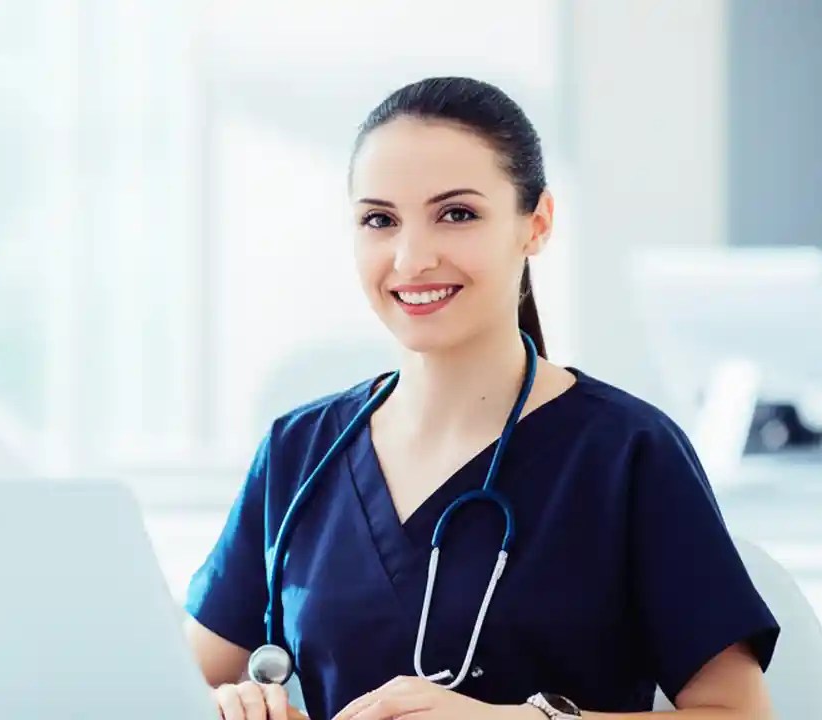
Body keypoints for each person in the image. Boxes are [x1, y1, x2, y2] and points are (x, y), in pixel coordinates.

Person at [183, 76, 779, 720]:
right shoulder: (299, 452)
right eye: (379, 220)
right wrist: (235, 706)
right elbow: (171, 683)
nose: (411, 258)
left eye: (457, 214)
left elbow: (739, 715)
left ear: (537, 224)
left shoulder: (627, 453)